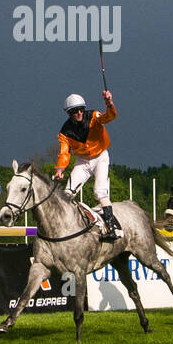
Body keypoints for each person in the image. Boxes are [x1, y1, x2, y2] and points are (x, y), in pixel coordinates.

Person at [53, 90, 121, 240]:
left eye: (81, 109)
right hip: (83, 161)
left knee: (100, 191)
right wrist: (59, 169)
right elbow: (64, 153)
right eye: (74, 111)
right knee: (67, 194)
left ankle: (111, 228)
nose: (79, 113)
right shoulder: (64, 132)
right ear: (68, 113)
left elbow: (109, 117)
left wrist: (109, 102)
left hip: (100, 157)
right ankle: (67, 227)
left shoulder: (93, 116)